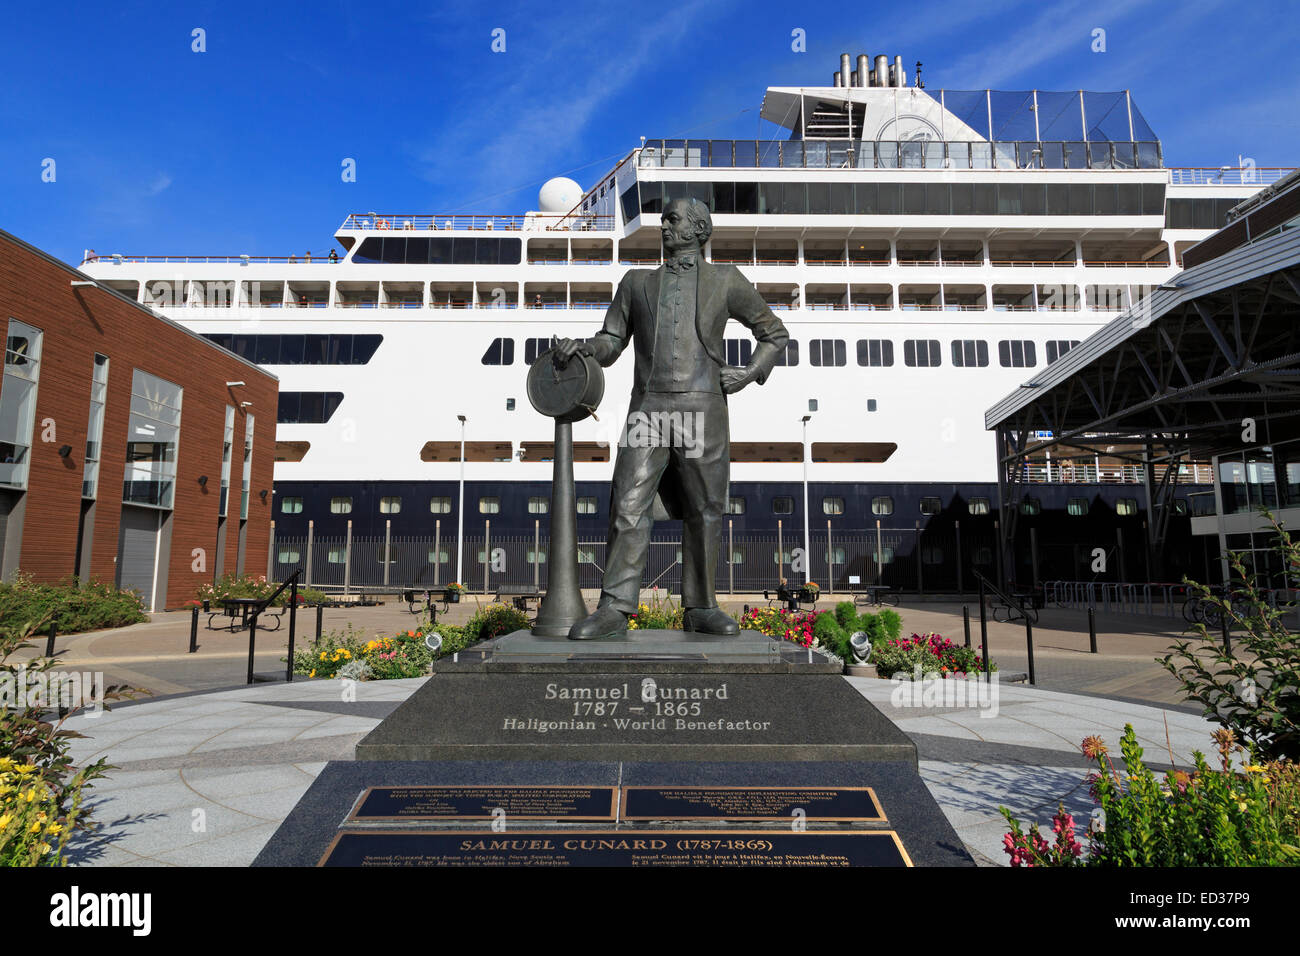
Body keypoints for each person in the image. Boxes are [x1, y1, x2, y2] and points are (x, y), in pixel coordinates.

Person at [554, 197, 788, 640]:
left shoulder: (726, 279)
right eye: (663, 220)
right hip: (648, 409)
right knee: (627, 503)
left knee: (705, 508)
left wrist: (751, 371)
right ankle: (615, 608)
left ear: (699, 230)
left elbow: (774, 333)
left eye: (673, 219)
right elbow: (611, 340)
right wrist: (586, 347)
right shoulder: (636, 282)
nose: (663, 225)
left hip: (704, 408)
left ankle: (700, 606)